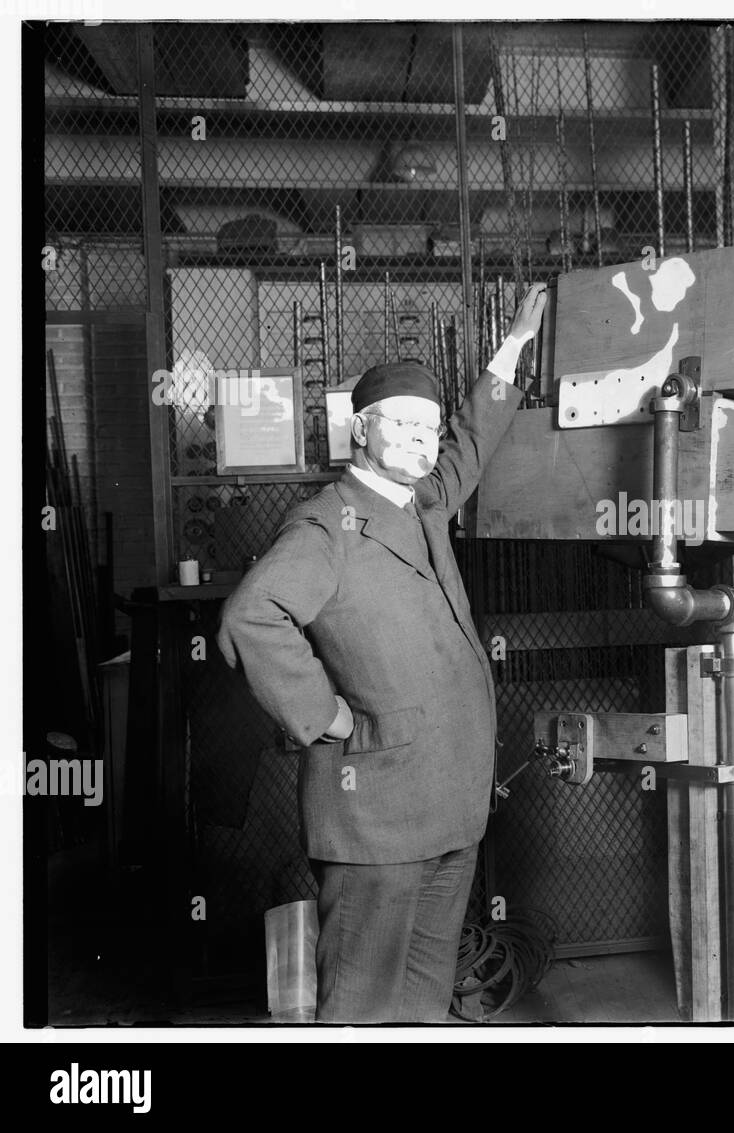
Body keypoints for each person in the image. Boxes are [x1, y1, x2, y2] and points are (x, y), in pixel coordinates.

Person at [218, 283, 547, 1023]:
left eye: (426, 426)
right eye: (400, 423)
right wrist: (324, 715)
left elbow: (469, 443)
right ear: (359, 432)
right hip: (378, 819)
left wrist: (515, 347)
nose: (420, 438)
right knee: (362, 1006)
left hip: (446, 804)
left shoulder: (422, 503)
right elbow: (250, 616)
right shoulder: (326, 527)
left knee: (424, 1000)